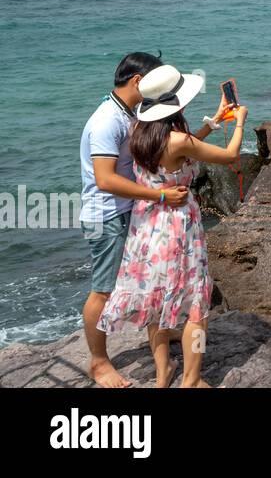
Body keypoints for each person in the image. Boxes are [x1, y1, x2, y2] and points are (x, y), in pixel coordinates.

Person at [97, 64, 247, 388]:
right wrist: (240, 121)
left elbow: (184, 151)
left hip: (146, 224)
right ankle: (191, 380)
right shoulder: (177, 139)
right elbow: (230, 155)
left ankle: (163, 371)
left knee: (155, 300)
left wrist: (214, 120)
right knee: (196, 308)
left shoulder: (139, 131)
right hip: (179, 227)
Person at [80, 52, 193, 388]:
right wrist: (160, 196)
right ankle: (99, 362)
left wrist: (209, 125)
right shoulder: (106, 120)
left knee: (151, 281)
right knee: (103, 291)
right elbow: (105, 179)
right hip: (107, 216)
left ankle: (161, 333)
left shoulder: (127, 112)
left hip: (129, 209)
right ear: (138, 81)